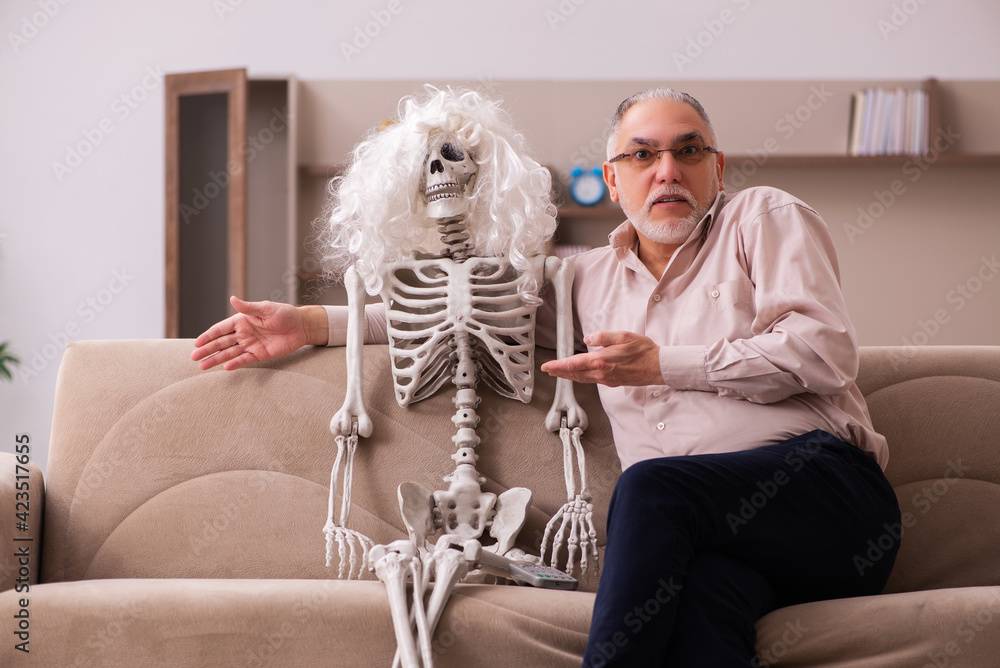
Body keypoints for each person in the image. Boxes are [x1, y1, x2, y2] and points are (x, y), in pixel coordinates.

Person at [191, 87, 901, 667]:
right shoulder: (579, 282)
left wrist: (664, 364)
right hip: (719, 548)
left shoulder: (761, 217)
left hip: (826, 503)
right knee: (702, 617)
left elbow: (823, 351)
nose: (667, 171)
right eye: (643, 155)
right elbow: (448, 313)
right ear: (613, 179)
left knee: (651, 487)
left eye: (689, 152)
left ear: (718, 168)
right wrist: (309, 324)